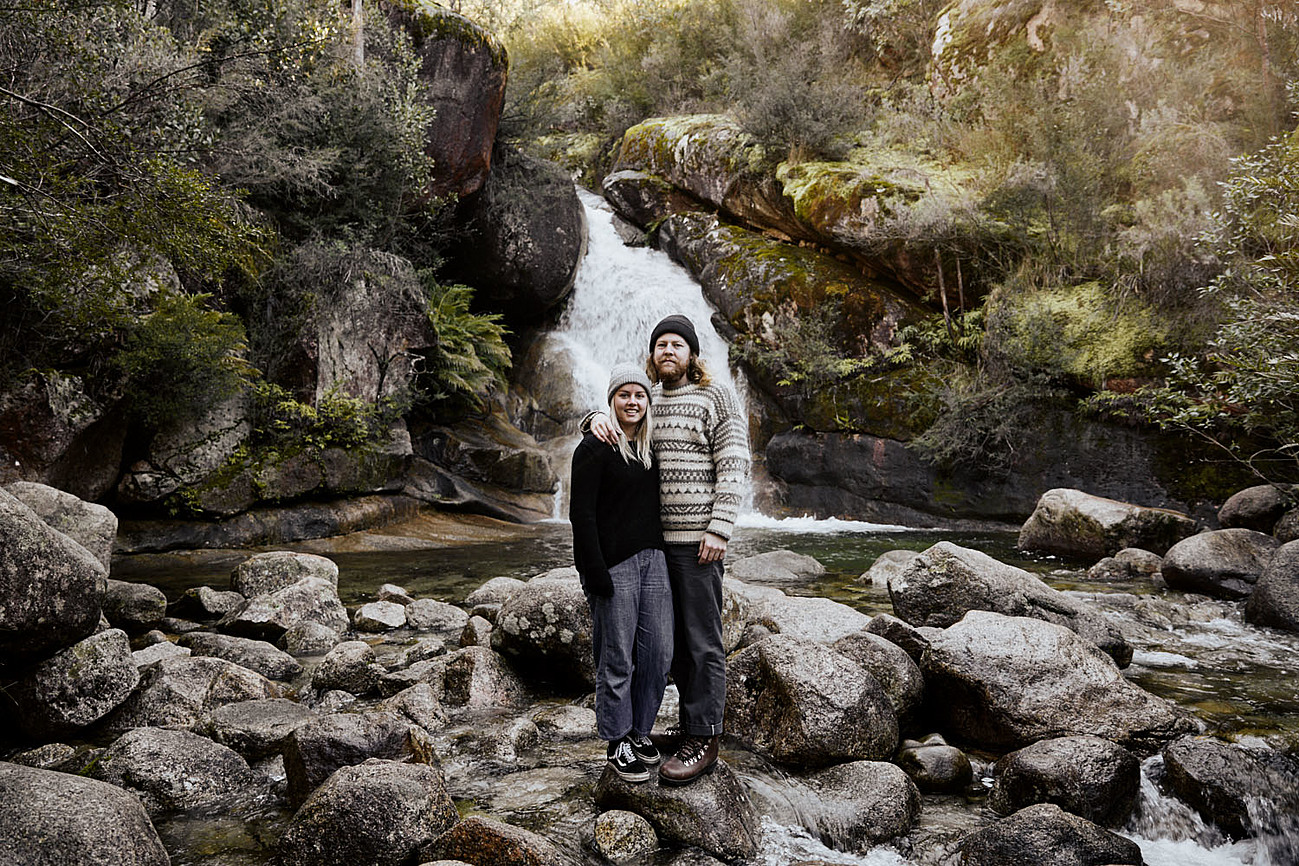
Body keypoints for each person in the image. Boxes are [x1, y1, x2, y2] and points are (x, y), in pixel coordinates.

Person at [587, 314, 749, 785]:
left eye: (677, 344)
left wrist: (719, 528)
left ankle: (705, 735)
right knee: (667, 646)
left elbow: (735, 463)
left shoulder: (715, 396)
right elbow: (620, 419)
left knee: (702, 643)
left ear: (692, 354)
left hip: (700, 545)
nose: (667, 351)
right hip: (654, 548)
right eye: (660, 344)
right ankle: (684, 726)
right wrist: (592, 418)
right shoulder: (648, 399)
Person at [570, 363, 673, 783]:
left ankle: (640, 730)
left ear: (648, 402)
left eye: (639, 395)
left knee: (659, 652)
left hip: (656, 560)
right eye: (624, 395)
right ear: (611, 400)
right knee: (617, 656)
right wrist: (593, 572)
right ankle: (616, 742)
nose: (632, 402)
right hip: (615, 564)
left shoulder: (651, 447)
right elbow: (582, 515)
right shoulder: (594, 448)